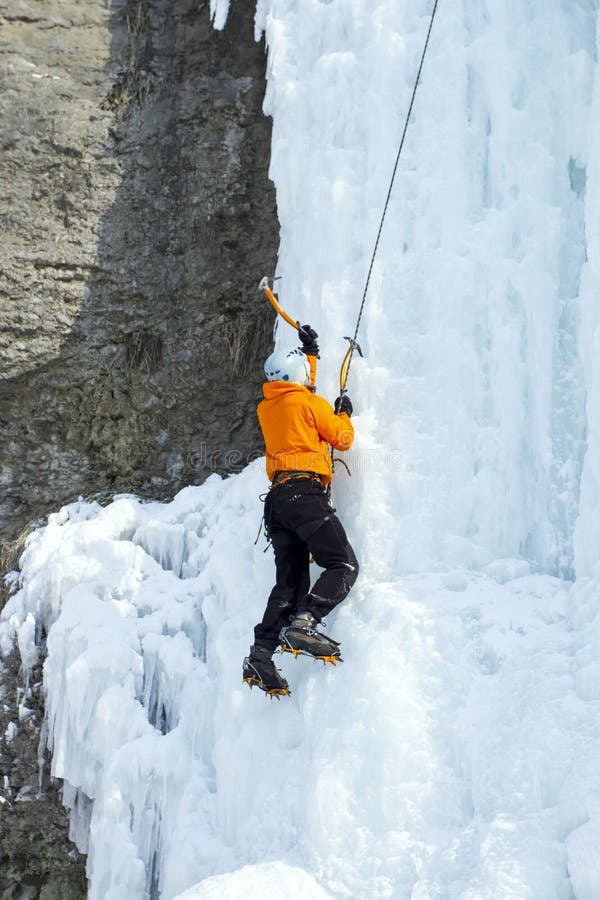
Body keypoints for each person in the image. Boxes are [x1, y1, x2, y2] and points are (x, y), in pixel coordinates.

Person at [243, 324, 359, 697]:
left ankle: (261, 654)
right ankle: (305, 622)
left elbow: (299, 388)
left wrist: (310, 352)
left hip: (277, 503)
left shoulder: (269, 407)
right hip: (305, 494)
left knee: (290, 582)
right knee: (342, 565)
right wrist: (343, 413)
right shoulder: (311, 404)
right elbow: (341, 438)